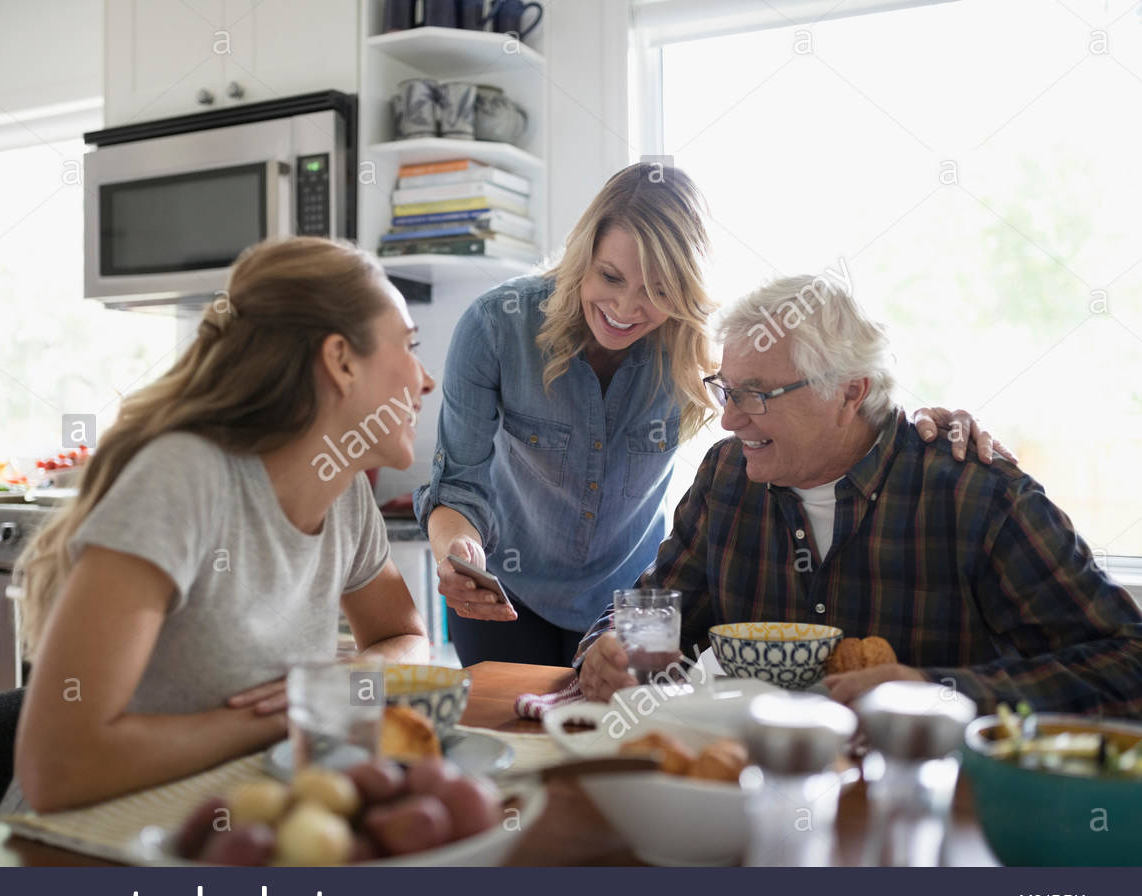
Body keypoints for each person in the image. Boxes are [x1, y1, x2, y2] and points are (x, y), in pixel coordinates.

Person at [416, 162, 1007, 668]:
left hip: (632, 601)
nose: (625, 309)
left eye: (657, 290)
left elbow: (820, 393)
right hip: (508, 597)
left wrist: (924, 423)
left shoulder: (703, 346)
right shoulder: (496, 327)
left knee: (618, 755)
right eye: (610, 277)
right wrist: (458, 556)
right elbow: (458, 487)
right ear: (582, 257)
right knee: (512, 758)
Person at [576, 275, 1142, 716]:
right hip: (753, 795)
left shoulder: (977, 496)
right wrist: (605, 656)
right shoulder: (727, 477)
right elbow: (649, 614)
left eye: (755, 395)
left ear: (849, 393)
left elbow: (1127, 663)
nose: (727, 420)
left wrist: (938, 692)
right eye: (725, 389)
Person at [2, 237, 433, 814]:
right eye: (409, 346)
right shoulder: (186, 476)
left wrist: (338, 685)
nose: (425, 380)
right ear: (341, 360)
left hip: (231, 823)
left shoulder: (346, 491)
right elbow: (58, 769)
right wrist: (293, 711)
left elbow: (404, 640)